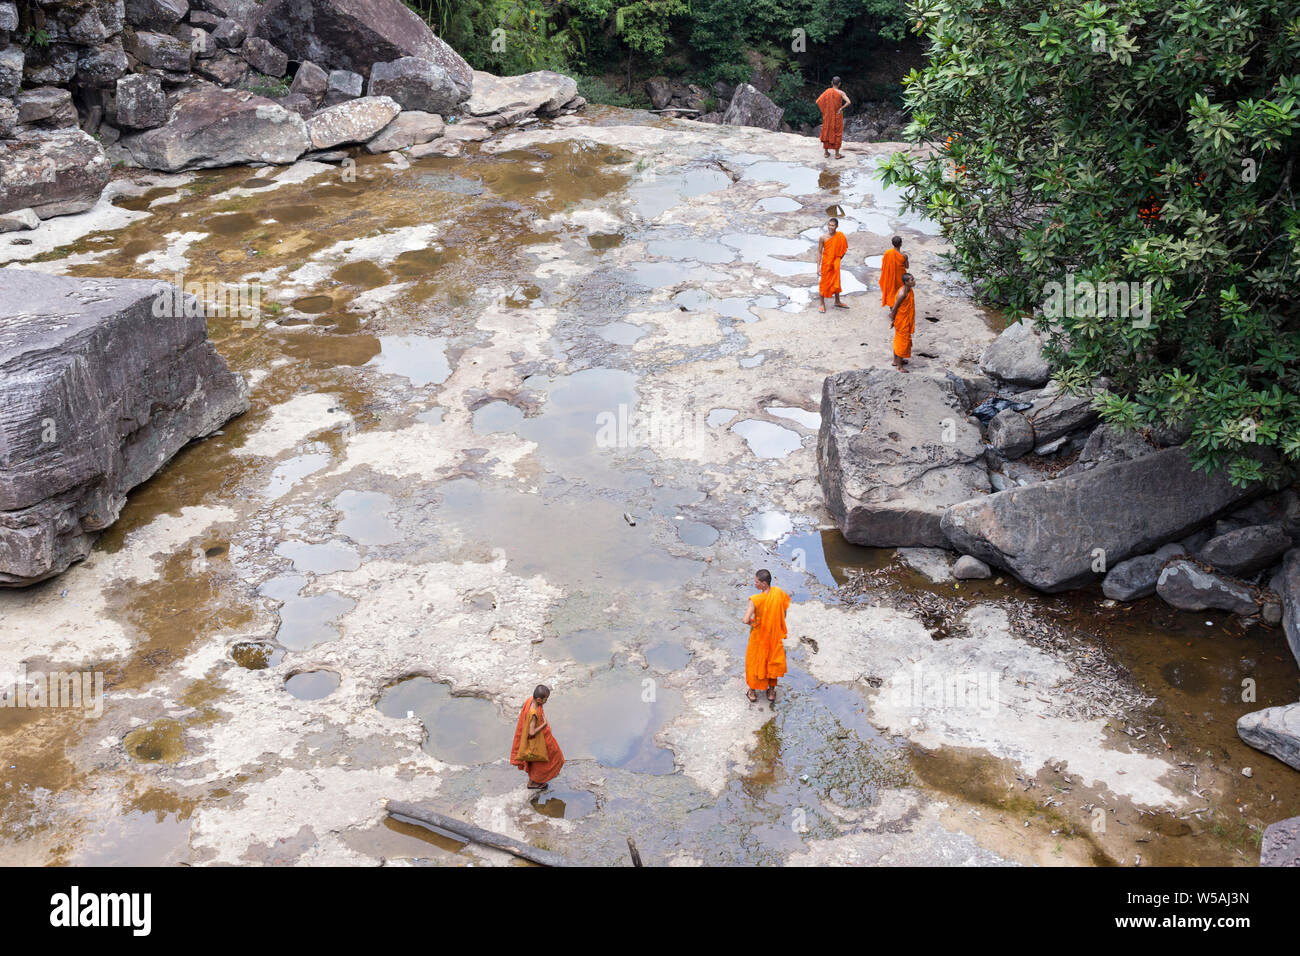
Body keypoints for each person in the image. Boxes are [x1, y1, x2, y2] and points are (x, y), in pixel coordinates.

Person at [742, 569, 790, 702]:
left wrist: (756, 624)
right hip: (774, 636)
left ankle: (752, 691)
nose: (754, 584)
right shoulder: (779, 593)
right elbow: (784, 612)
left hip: (759, 637)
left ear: (763, 583)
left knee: (755, 661)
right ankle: (771, 692)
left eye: (756, 582)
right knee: (772, 661)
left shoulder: (755, 600)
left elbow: (745, 620)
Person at [510, 684, 564, 790]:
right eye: (545, 699)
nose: (546, 701)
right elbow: (531, 732)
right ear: (539, 699)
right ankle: (534, 782)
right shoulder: (533, 713)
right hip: (538, 741)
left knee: (537, 762)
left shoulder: (530, 700)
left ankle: (534, 779)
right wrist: (544, 725)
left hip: (538, 740)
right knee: (553, 758)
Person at [817, 217, 848, 313]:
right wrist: (818, 267)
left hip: (835, 263)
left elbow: (844, 248)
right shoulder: (823, 238)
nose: (830, 227)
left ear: (836, 226)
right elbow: (819, 252)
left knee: (836, 281)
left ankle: (837, 301)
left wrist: (838, 259)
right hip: (826, 264)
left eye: (833, 225)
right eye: (829, 225)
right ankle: (822, 304)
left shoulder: (840, 236)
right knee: (823, 283)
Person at [815, 77, 851, 159]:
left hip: (828, 116)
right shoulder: (841, 93)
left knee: (826, 131)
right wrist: (841, 108)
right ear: (839, 84)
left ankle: (826, 153)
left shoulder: (827, 91)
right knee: (837, 133)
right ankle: (837, 154)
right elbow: (849, 102)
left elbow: (818, 101)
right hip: (837, 116)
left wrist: (826, 111)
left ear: (832, 82)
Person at [889, 273, 916, 372]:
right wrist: (893, 320)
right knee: (902, 342)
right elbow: (894, 308)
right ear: (906, 282)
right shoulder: (902, 293)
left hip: (905, 318)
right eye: (911, 280)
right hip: (902, 320)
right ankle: (899, 366)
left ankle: (895, 360)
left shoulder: (909, 290)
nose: (914, 281)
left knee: (898, 339)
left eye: (913, 279)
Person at [879, 235, 908, 307]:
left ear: (892, 243)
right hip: (900, 277)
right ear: (901, 244)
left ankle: (892, 306)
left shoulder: (888, 253)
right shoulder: (904, 256)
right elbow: (907, 266)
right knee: (900, 291)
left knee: (891, 291)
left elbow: (884, 265)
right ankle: (898, 307)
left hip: (890, 277)